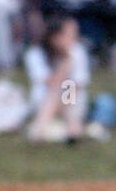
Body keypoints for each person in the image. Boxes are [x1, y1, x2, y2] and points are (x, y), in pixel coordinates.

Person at [24, 13, 90, 143]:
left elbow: (78, 82)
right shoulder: (35, 53)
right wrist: (66, 62)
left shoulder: (78, 50)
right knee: (55, 93)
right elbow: (50, 82)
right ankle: (63, 128)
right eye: (69, 34)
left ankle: (45, 128)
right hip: (44, 98)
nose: (74, 38)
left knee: (68, 89)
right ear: (55, 37)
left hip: (70, 97)